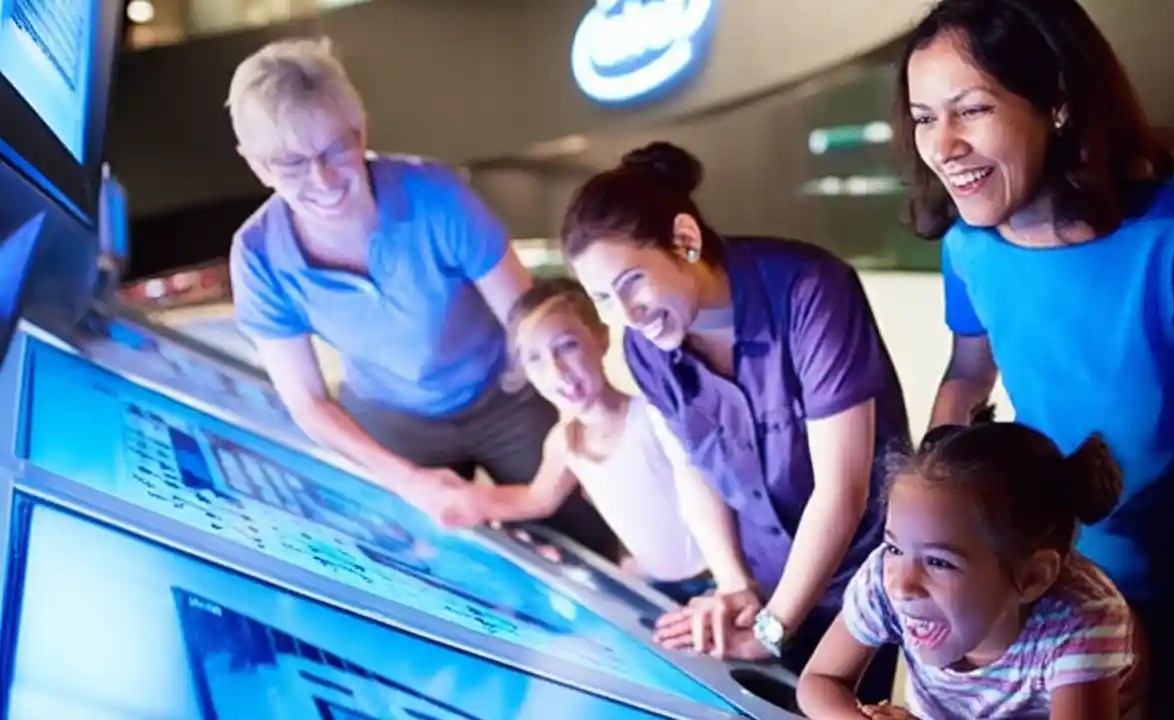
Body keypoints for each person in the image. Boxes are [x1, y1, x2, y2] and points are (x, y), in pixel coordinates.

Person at [897, 0, 1174, 714]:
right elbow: (970, 375)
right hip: (1050, 591)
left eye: (970, 109)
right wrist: (935, 528)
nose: (941, 145)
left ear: (1059, 104)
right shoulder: (968, 246)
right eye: (923, 117)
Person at [223, 37, 615, 555]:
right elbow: (309, 401)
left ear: (360, 133)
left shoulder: (437, 196)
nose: (321, 180)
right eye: (291, 165)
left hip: (507, 392)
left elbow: (531, 324)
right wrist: (409, 480)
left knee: (585, 529)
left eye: (333, 150)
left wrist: (581, 434)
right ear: (258, 167)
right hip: (393, 417)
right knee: (416, 556)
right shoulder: (257, 257)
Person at [560, 141, 912, 691]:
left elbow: (843, 489)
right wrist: (734, 587)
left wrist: (775, 627)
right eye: (604, 298)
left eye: (632, 282)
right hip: (762, 576)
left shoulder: (810, 291)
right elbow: (693, 470)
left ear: (685, 240)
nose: (627, 315)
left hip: (856, 583)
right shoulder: (645, 347)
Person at [798, 421, 1144, 720]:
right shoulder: (883, 579)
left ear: (1031, 578)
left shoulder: (1080, 621)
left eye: (939, 562)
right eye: (894, 547)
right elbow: (819, 681)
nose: (903, 585)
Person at [438, 278, 712, 601]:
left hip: (711, 579)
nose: (557, 370)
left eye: (567, 346)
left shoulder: (653, 418)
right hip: (656, 584)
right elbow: (537, 499)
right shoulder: (565, 443)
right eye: (535, 359)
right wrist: (465, 501)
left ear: (601, 338)